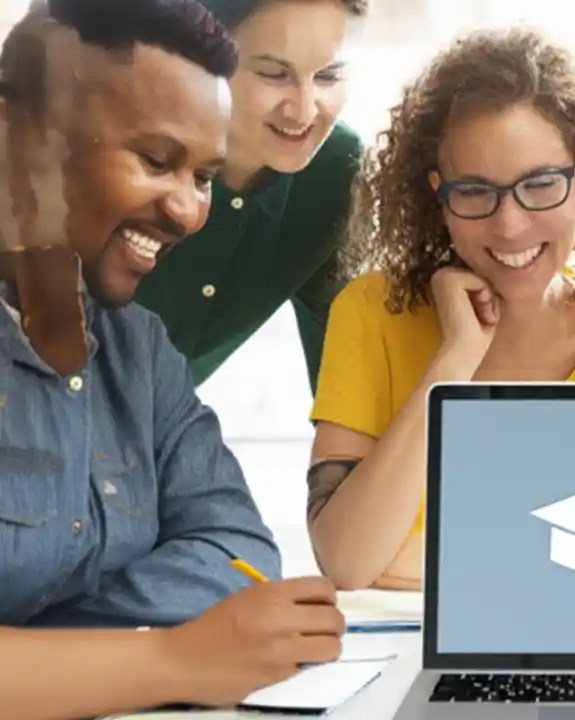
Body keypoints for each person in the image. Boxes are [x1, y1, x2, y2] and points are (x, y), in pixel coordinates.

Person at [0, 2, 343, 717]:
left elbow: (237, 550)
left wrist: (41, 665)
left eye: (205, 176)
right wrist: (169, 657)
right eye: (156, 160)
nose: (189, 212)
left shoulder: (139, 350)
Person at [306, 28, 575, 591]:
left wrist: (416, 559)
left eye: (539, 185)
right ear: (439, 193)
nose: (509, 225)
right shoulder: (371, 312)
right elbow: (348, 563)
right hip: (403, 658)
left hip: (572, 652)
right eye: (476, 191)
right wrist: (451, 365)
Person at [132, 0, 366, 392]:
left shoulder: (334, 172)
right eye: (274, 74)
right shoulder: (107, 147)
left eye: (328, 76)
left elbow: (348, 392)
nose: (304, 110)